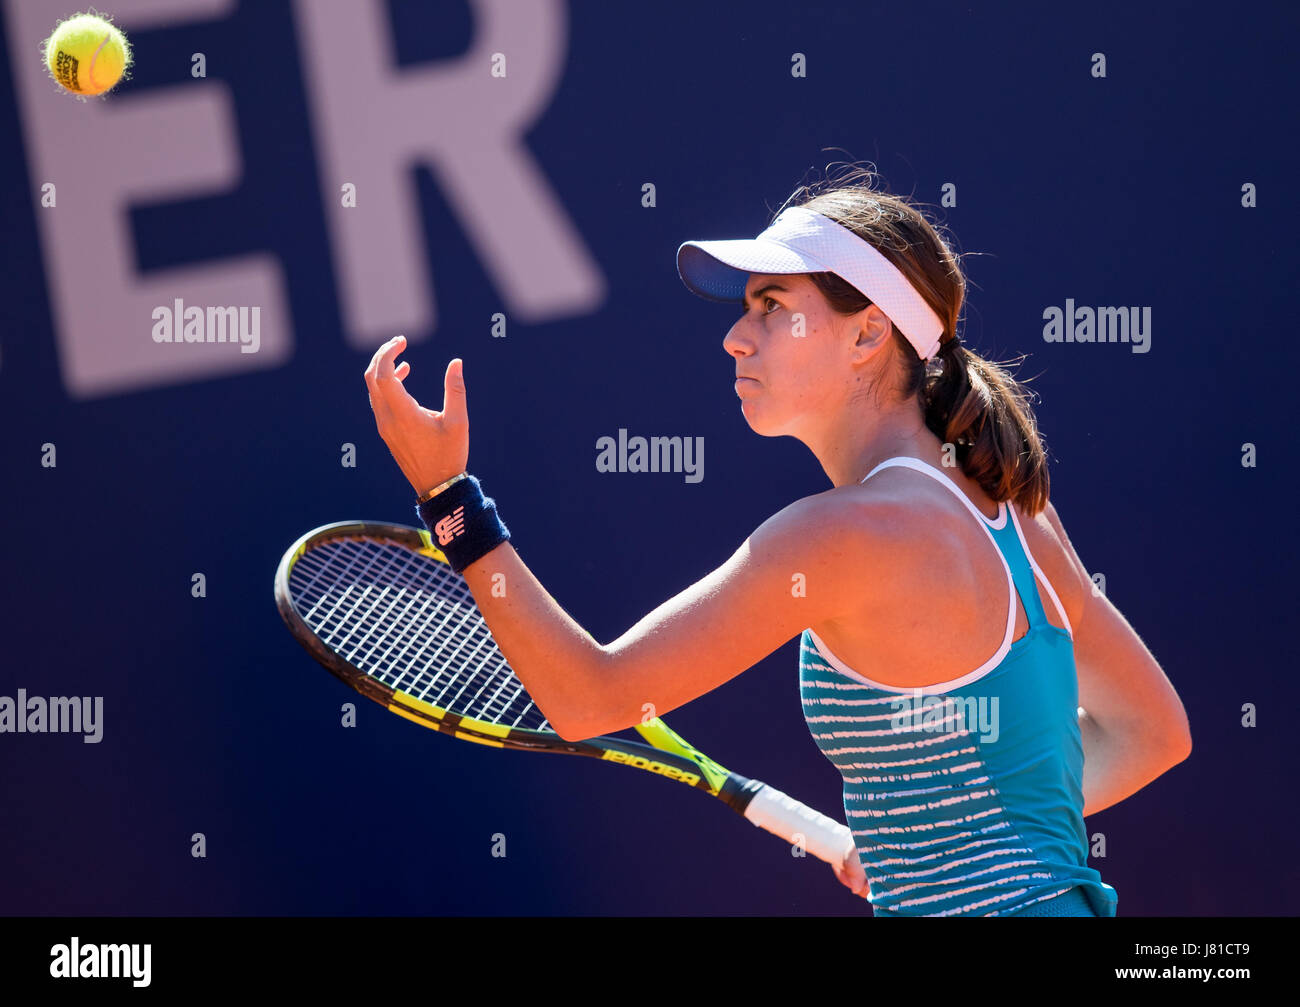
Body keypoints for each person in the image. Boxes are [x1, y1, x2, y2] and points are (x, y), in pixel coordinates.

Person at [363, 166, 1191, 917]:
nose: (736, 336)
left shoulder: (839, 537)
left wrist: (450, 499)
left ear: (870, 335)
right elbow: (1154, 730)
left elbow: (589, 698)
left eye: (774, 308)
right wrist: (932, 839)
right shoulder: (1014, 505)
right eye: (744, 308)